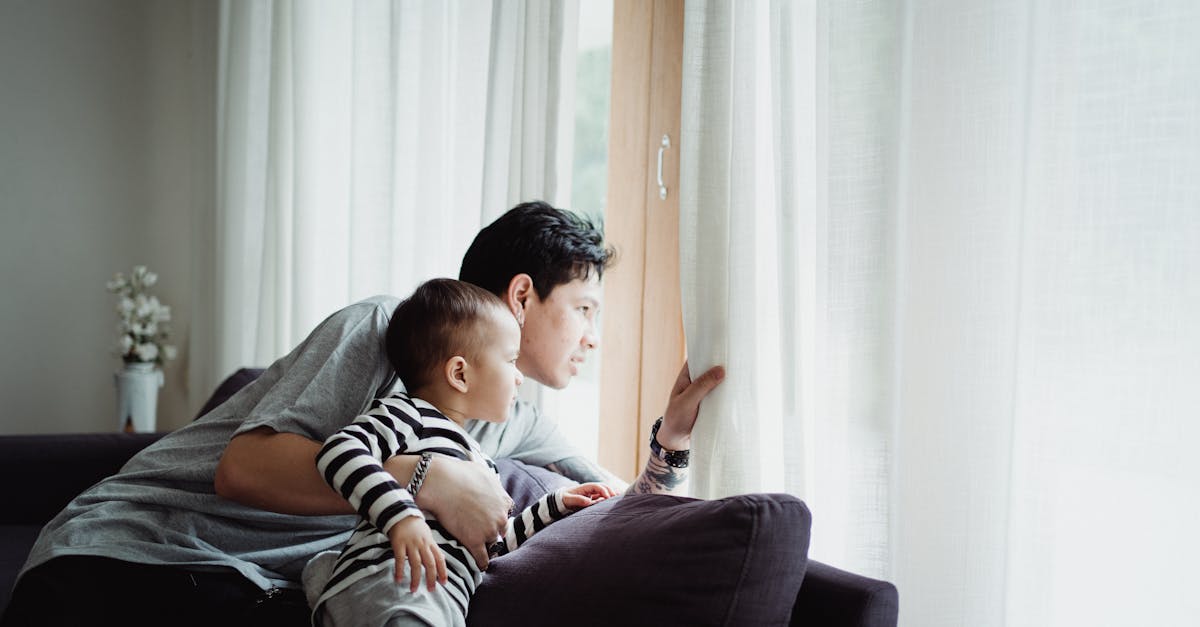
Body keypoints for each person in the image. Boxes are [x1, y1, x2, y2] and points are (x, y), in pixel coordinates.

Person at [1, 201, 724, 626]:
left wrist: (675, 439)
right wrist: (427, 477)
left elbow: (617, 507)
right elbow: (241, 468)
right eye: (585, 309)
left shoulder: (516, 417)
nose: (594, 336)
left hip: (250, 587)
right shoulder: (381, 328)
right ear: (525, 295)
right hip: (132, 555)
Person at [303, 278, 615, 626]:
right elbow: (338, 452)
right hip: (393, 583)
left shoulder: (479, 462)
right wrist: (401, 517)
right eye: (511, 361)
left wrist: (554, 506)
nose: (519, 378)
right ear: (460, 374)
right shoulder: (408, 415)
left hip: (439, 600)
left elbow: (489, 545)